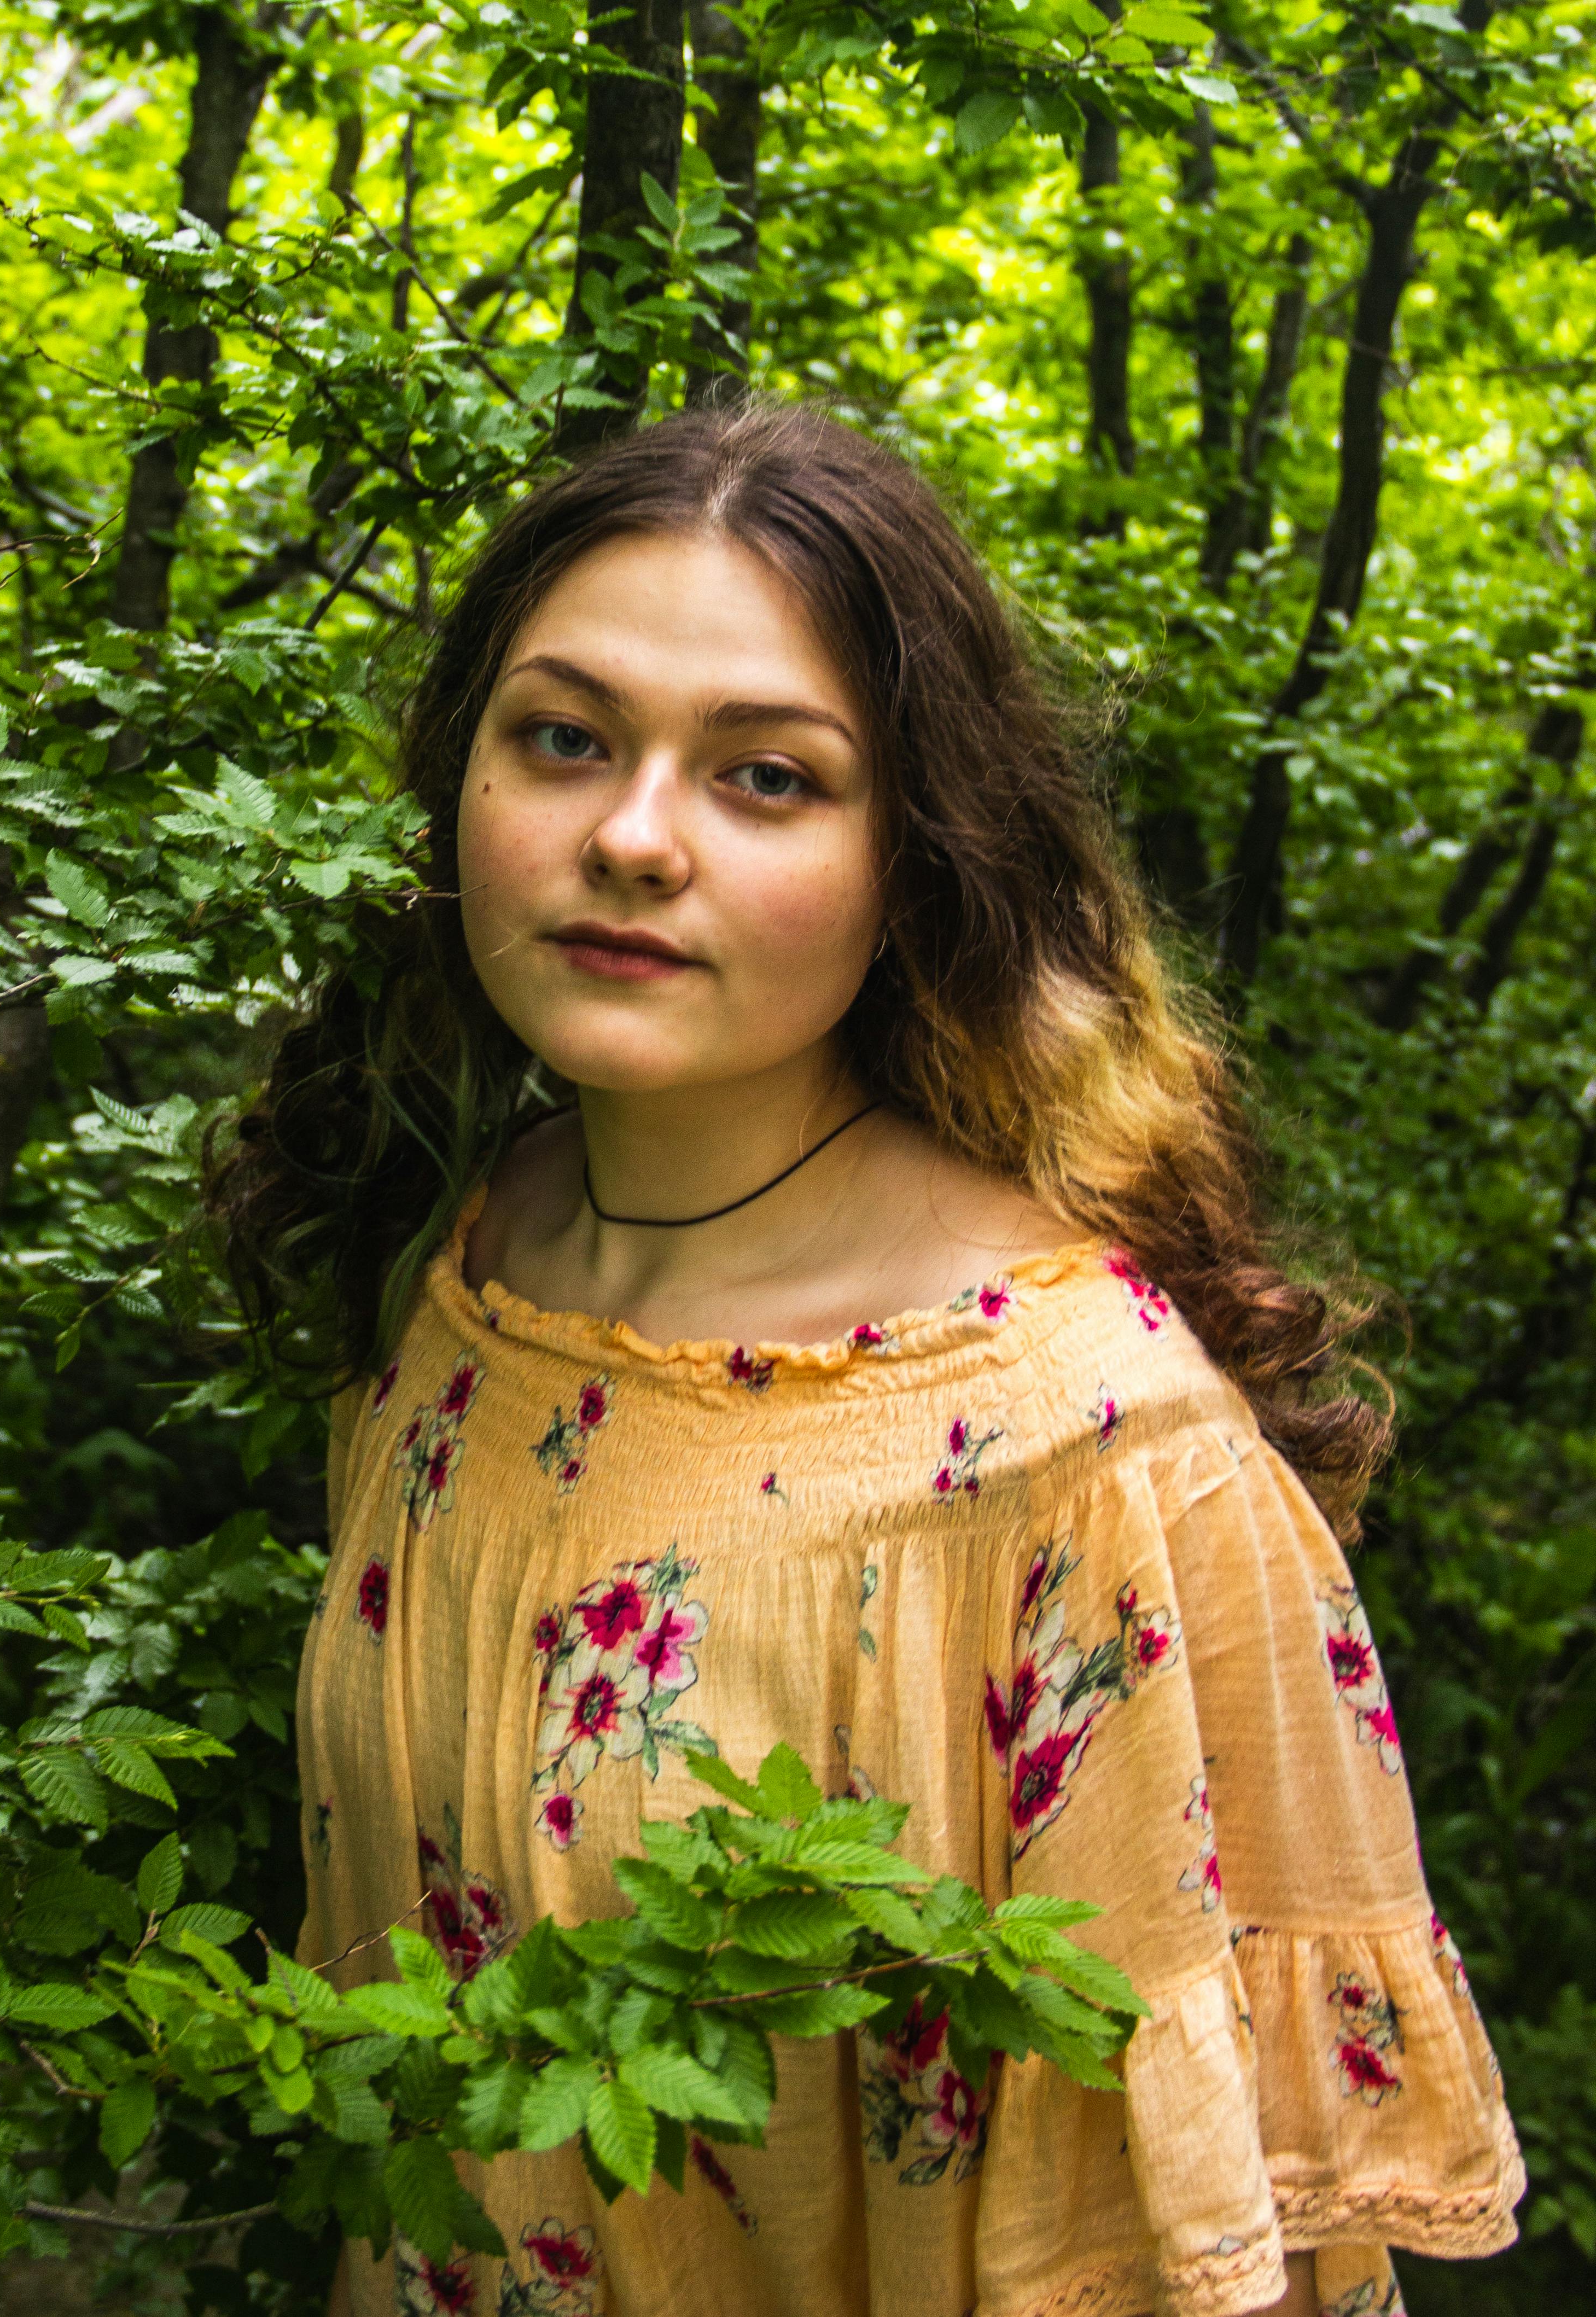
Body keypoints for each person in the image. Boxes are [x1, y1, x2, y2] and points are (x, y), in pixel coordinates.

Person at [215, 405, 1523, 2317]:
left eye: (766, 777)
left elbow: (1180, 2250)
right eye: (563, 738)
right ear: (460, 783)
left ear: (917, 853)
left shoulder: (1082, 1442)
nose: (633, 838)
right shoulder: (463, 1272)